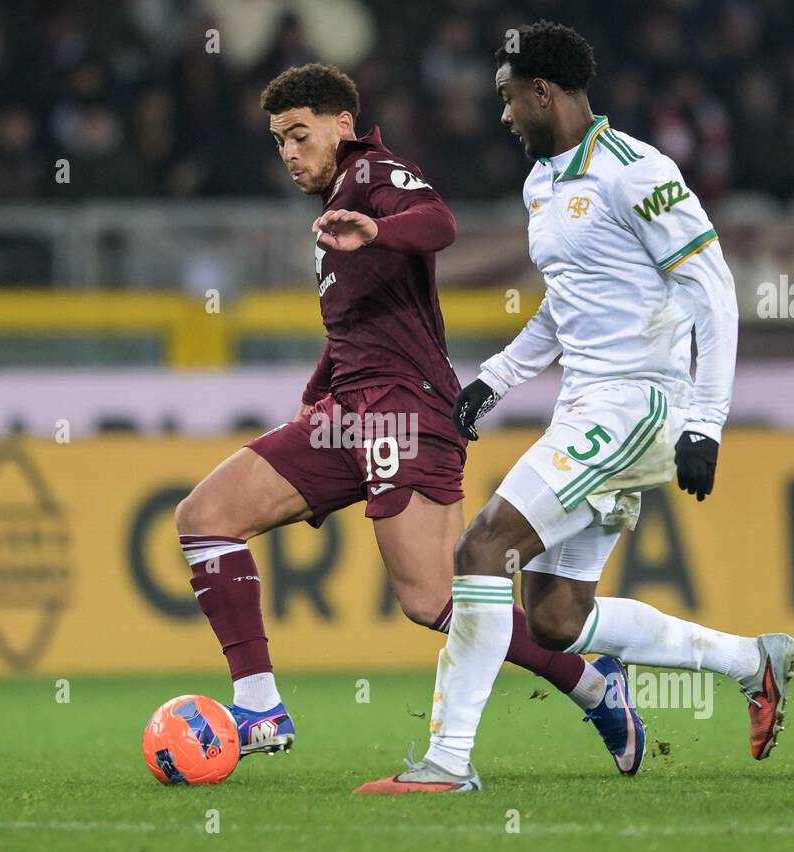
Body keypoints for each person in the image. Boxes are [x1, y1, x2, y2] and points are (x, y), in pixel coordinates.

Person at [358, 21, 794, 794]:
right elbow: (567, 307)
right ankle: (751, 659)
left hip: (638, 406)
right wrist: (497, 378)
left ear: (542, 92)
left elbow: (713, 292)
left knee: (482, 547)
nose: (500, 116)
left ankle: (446, 763)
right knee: (559, 618)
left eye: (506, 99)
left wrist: (705, 420)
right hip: (584, 405)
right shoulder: (543, 183)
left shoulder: (638, 172)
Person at [173, 63, 643, 771]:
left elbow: (439, 224)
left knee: (430, 599)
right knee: (204, 515)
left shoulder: (374, 175)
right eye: (278, 141)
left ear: (341, 126)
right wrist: (315, 389)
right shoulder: (336, 205)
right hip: (346, 411)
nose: (289, 152)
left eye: (300, 135)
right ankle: (261, 705)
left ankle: (588, 678)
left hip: (406, 411)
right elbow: (356, 329)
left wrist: (377, 229)